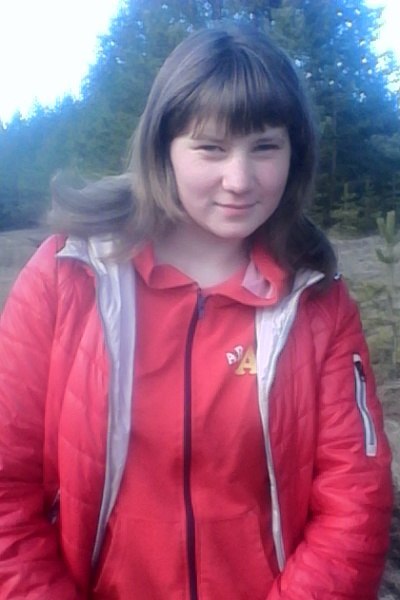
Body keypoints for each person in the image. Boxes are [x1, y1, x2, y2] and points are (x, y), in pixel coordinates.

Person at [0, 25, 393, 600]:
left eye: (265, 147)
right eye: (210, 148)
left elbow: (355, 501)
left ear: (295, 152)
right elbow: (6, 486)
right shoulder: (68, 275)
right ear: (163, 147)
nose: (240, 180)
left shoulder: (317, 301)